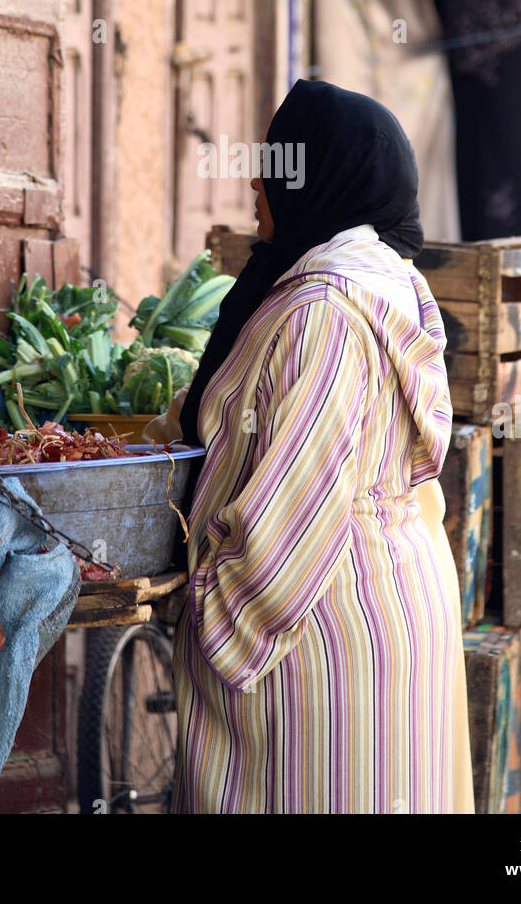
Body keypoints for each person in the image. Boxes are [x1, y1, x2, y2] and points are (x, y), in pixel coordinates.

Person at [144, 80, 473, 814]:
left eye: (278, 166)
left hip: (321, 624)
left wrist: (209, 604)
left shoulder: (322, 309)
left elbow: (300, 498)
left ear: (321, 178)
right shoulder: (379, 280)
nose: (257, 181)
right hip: (379, 588)